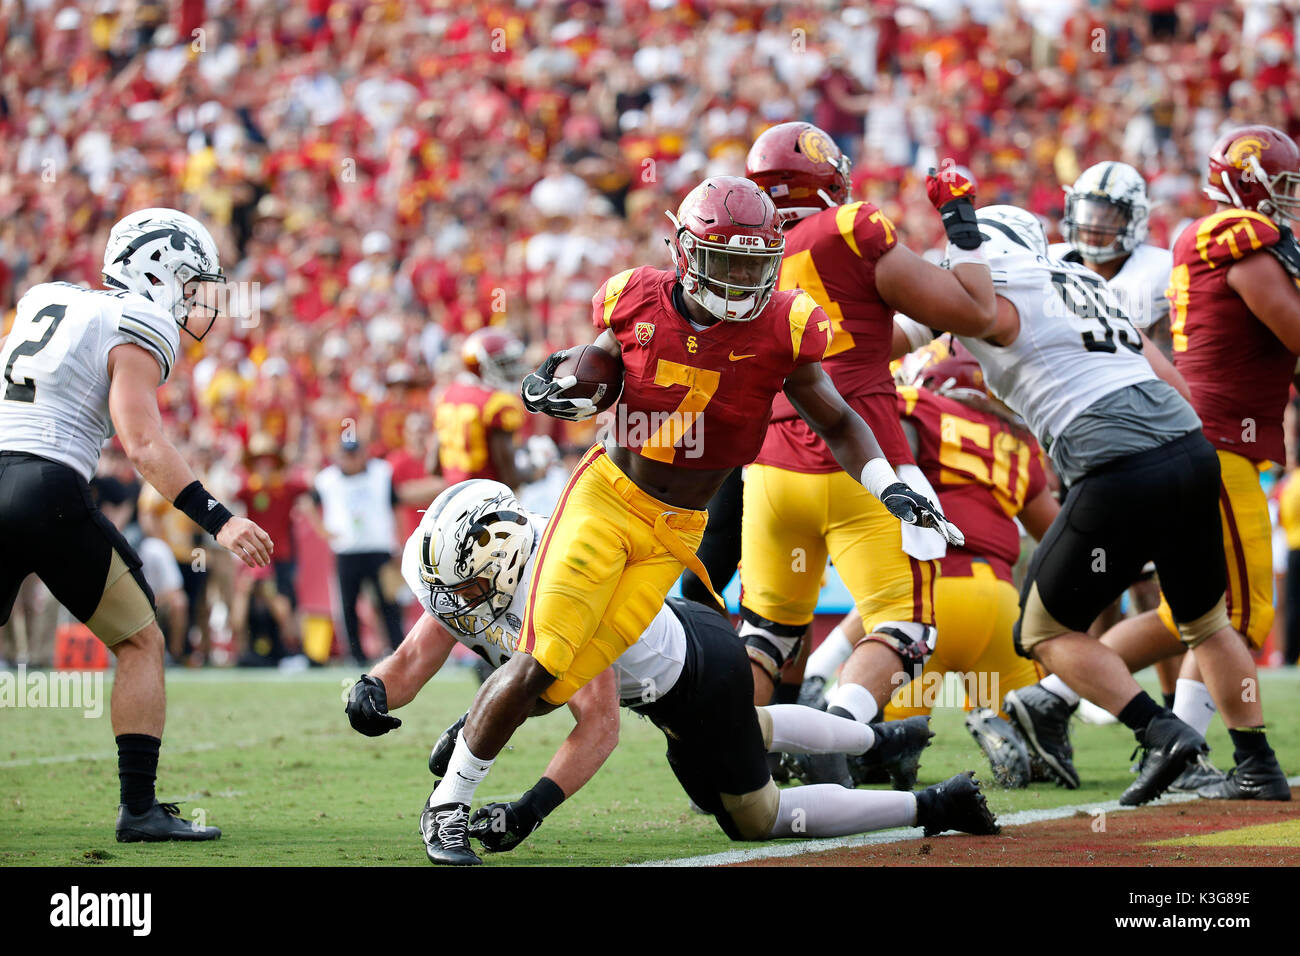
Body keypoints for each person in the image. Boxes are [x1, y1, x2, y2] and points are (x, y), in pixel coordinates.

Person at [416, 175, 961, 864]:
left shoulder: (785, 324)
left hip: (678, 527)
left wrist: (889, 483)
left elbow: (839, 419)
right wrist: (553, 380)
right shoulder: (637, 295)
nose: (738, 279)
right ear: (683, 250)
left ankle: (472, 726)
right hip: (610, 497)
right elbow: (596, 364)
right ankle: (447, 808)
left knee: (558, 682)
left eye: (751, 263)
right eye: (724, 261)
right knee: (546, 658)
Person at [345, 481, 997, 865]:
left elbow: (597, 727)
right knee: (757, 728)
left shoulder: (566, 589)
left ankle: (937, 805)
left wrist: (529, 809)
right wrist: (372, 690)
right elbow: (417, 653)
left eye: (464, 587)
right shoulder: (487, 577)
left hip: (696, 682)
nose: (454, 601)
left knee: (755, 819)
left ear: (506, 565)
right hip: (683, 649)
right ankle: (884, 740)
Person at [949, 203, 1289, 806]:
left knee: (1042, 629)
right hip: (1191, 448)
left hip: (1117, 464)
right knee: (1208, 621)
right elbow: (1174, 383)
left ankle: (1160, 732)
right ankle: (1258, 764)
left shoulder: (990, 295)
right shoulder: (1086, 281)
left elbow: (919, 325)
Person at [733, 123, 996, 788]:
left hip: (768, 467)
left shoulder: (744, 252)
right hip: (862, 457)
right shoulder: (849, 227)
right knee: (904, 627)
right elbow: (977, 311)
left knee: (768, 634)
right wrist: (960, 219)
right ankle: (834, 741)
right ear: (828, 176)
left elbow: (858, 339)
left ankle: (738, 766)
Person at [0, 207, 273, 840]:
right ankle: (140, 810)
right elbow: (143, 443)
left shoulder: (46, 297)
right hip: (47, 486)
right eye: (192, 281)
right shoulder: (140, 319)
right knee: (141, 641)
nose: (196, 299)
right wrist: (220, 521)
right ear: (160, 271)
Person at [307, 437, 404, 666]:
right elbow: (309, 503)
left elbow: (396, 506)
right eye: (347, 455)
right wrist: (324, 532)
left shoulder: (381, 473)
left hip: (379, 549)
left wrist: (399, 542)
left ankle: (398, 650)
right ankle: (355, 654)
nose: (351, 460)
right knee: (348, 604)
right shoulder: (328, 479)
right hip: (347, 550)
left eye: (355, 454)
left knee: (388, 603)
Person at [432, 327, 532, 488]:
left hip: (454, 497)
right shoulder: (498, 403)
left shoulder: (448, 394)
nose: (511, 370)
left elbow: (433, 466)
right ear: (480, 365)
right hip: (488, 501)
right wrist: (536, 469)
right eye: (503, 363)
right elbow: (510, 477)